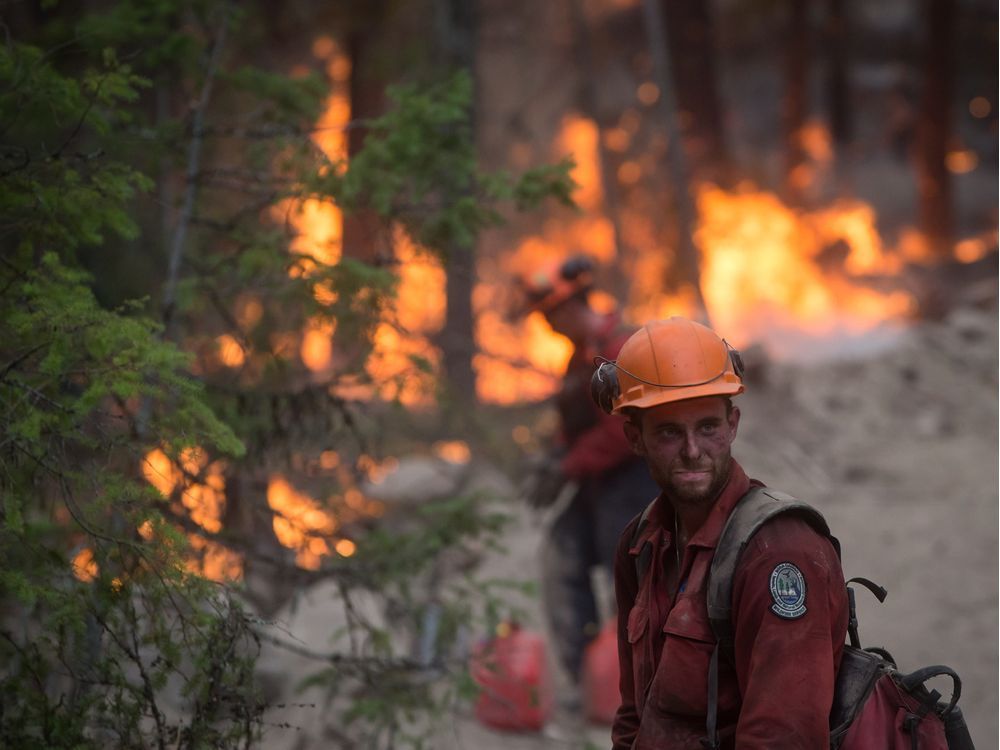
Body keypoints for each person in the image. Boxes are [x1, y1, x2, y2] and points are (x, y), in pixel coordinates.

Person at [590, 317, 849, 749]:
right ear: (635, 437)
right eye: (670, 432)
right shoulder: (640, 546)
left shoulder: (778, 553)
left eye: (708, 427)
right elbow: (634, 716)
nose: (693, 451)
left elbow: (783, 739)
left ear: (733, 425)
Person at [519, 255, 659, 710]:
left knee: (633, 581)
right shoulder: (577, 357)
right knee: (561, 556)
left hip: (635, 481)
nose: (547, 326)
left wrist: (568, 466)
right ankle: (587, 679)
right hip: (596, 481)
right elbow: (578, 421)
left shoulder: (618, 348)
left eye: (549, 316)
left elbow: (623, 431)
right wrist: (555, 454)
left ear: (569, 307)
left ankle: (645, 685)